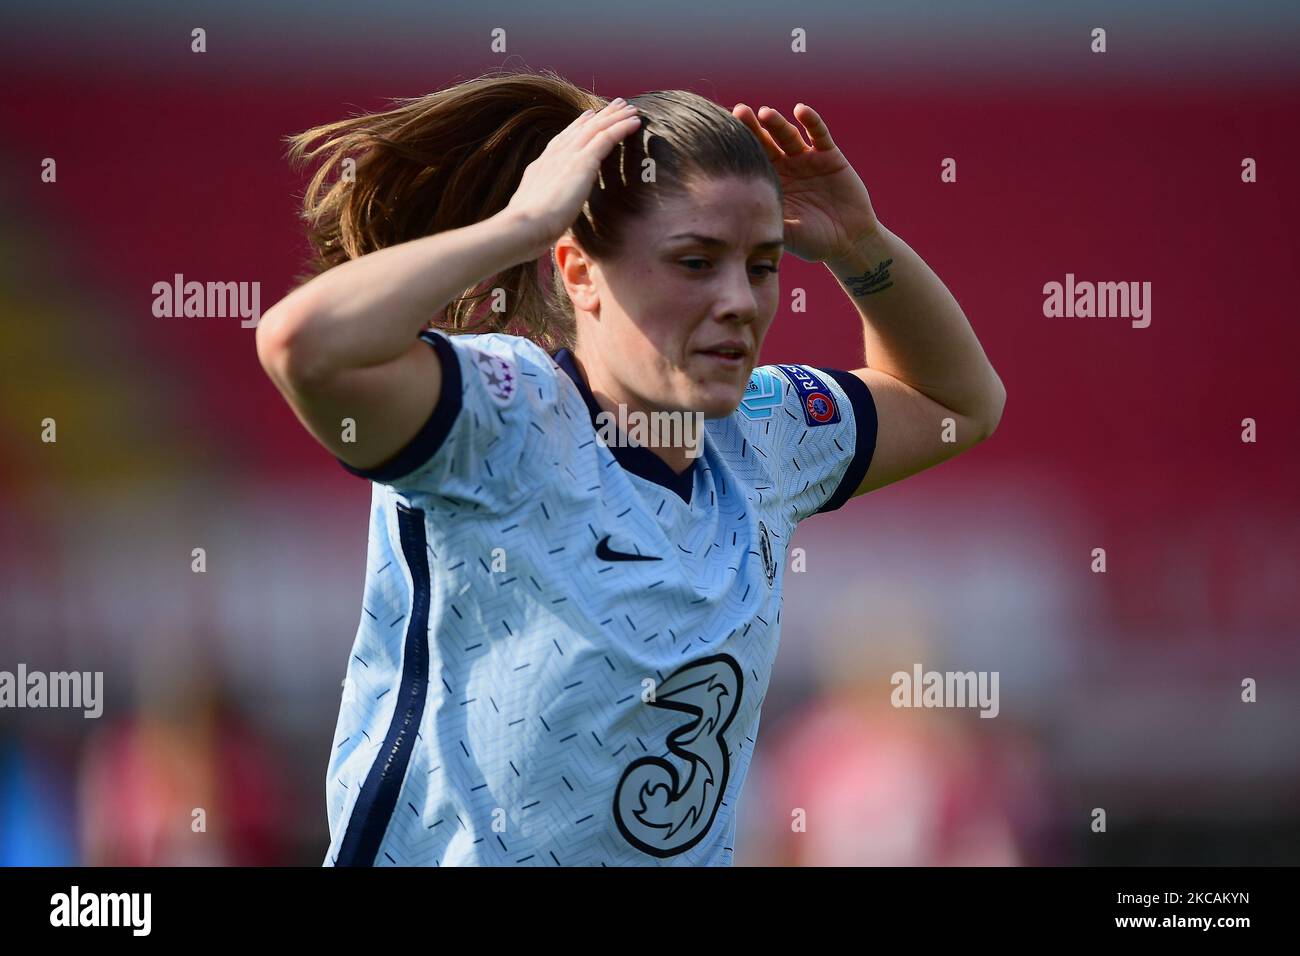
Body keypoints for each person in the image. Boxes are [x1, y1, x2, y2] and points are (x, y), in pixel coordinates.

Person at [256, 69, 1005, 866]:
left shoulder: (765, 431)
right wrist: (525, 223)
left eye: (761, 265)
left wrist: (862, 248)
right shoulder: (499, 414)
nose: (741, 302)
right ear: (578, 272)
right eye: (694, 263)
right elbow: (302, 346)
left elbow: (959, 401)